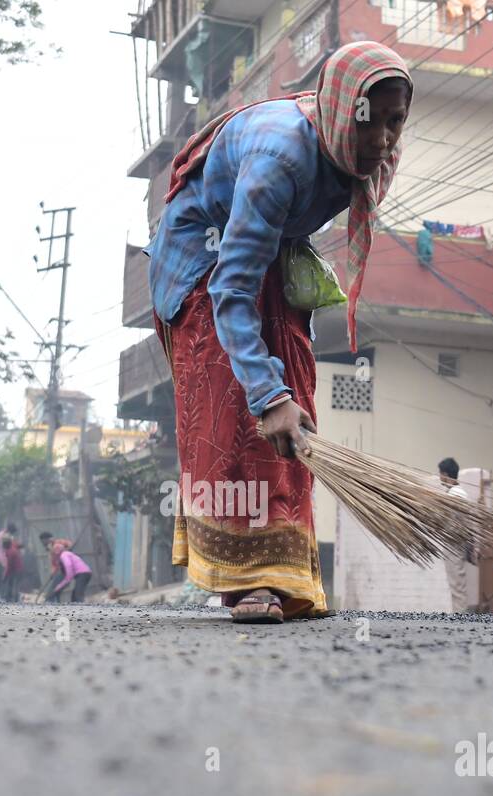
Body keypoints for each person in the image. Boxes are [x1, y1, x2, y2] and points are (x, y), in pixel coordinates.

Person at [148, 41, 412, 623]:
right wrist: (266, 398)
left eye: (396, 121)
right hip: (205, 258)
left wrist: (280, 397)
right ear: (344, 109)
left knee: (296, 403)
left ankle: (290, 574)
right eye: (370, 121)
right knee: (239, 407)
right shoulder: (280, 160)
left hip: (267, 251)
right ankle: (246, 580)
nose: (384, 139)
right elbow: (231, 291)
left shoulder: (362, 154)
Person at [438, 458, 471, 614]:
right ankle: (458, 613)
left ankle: (460, 615)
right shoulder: (459, 493)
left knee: (457, 584)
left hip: (453, 543)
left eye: (440, 474)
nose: (439, 477)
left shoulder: (455, 494)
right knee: (456, 583)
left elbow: (453, 522)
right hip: (455, 543)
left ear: (445, 474)